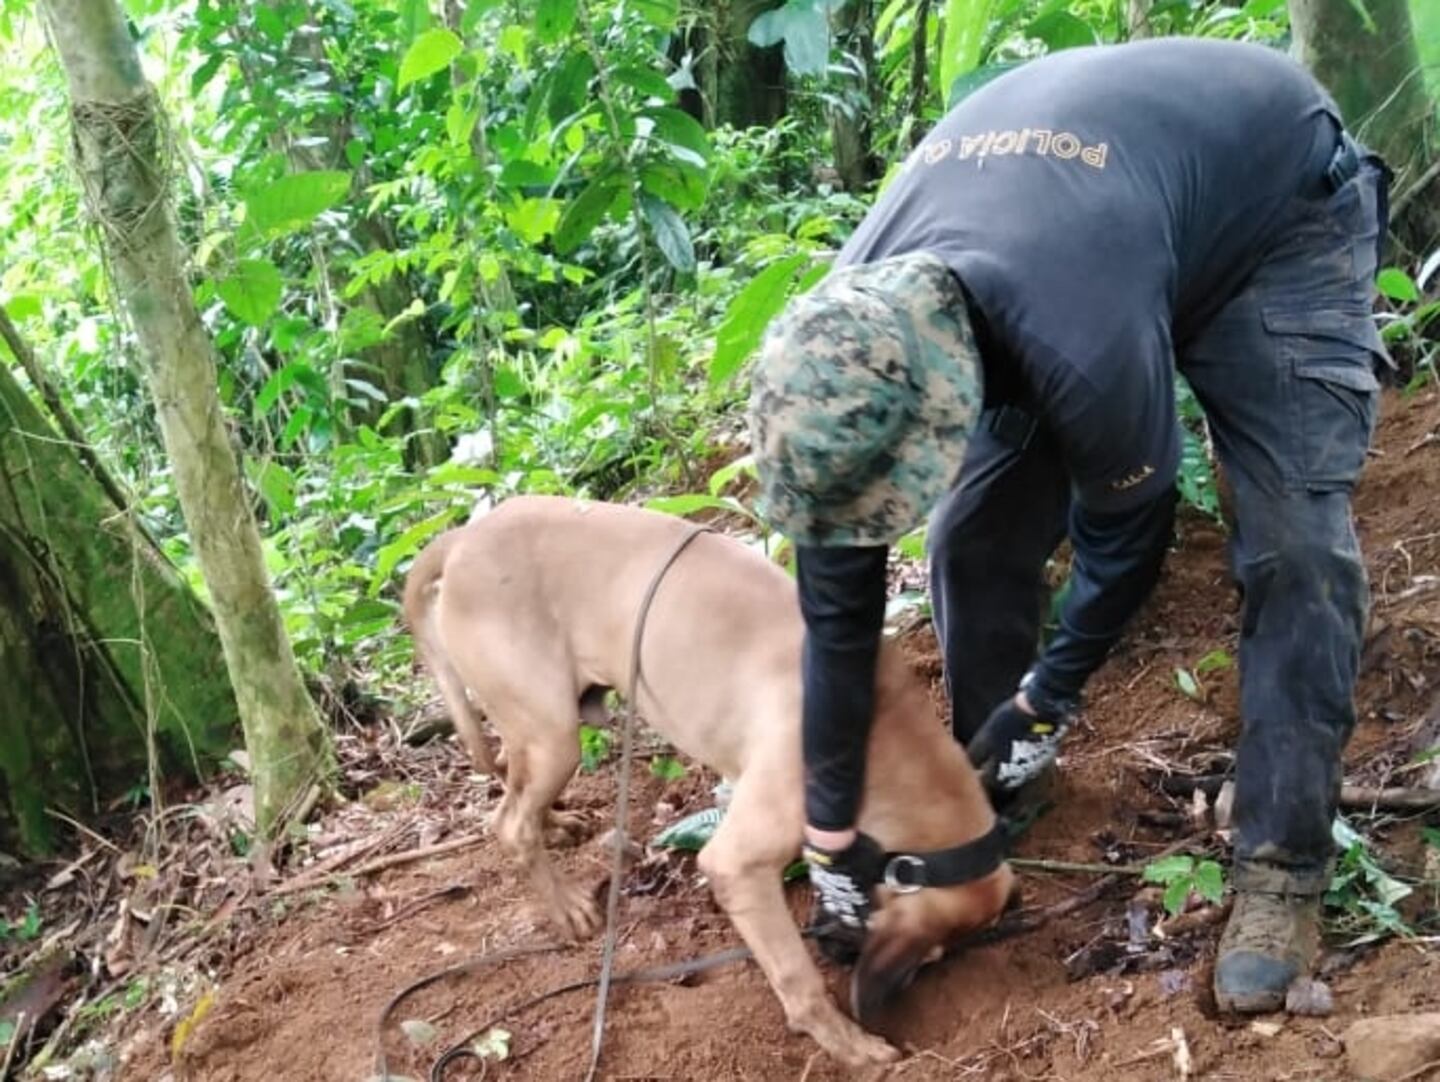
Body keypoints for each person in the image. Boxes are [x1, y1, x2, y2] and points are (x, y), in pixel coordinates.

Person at [748, 36, 1390, 1013]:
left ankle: (1283, 867)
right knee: (969, 538)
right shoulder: (839, 347)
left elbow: (1128, 534)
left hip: (1273, 210)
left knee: (1294, 548)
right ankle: (999, 781)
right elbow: (835, 620)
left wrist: (1046, 697)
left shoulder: (1075, 341)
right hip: (1099, 225)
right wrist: (831, 836)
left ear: (944, 394)